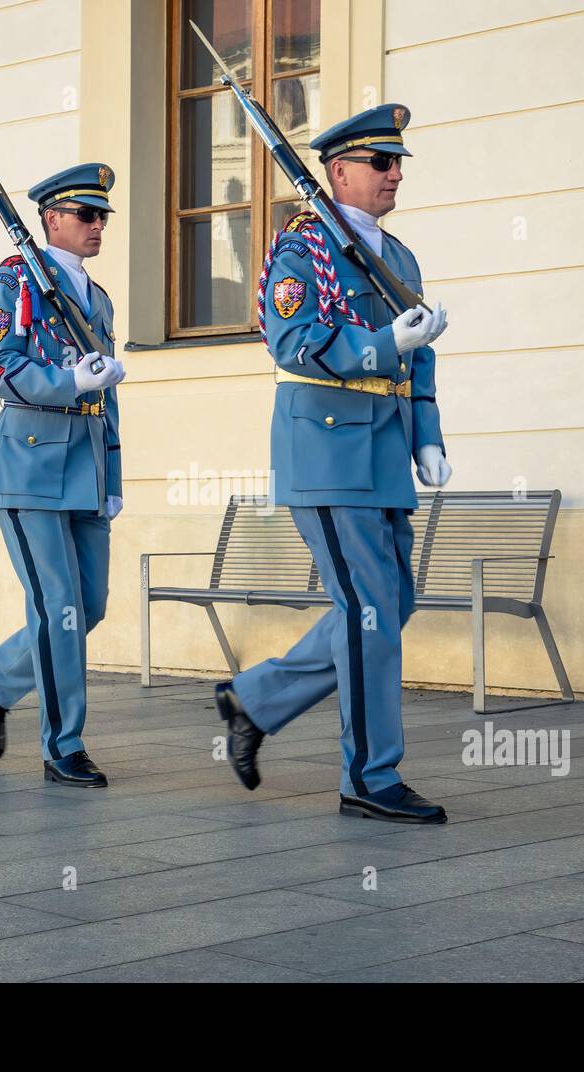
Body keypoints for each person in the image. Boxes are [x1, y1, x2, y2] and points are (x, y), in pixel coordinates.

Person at [215, 104, 453, 823]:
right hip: (325, 447)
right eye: (382, 164)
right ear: (340, 170)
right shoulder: (302, 250)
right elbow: (293, 340)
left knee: (387, 607)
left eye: (399, 162)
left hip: (383, 452)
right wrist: (383, 342)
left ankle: (254, 700)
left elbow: (421, 355)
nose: (395, 174)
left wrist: (428, 435)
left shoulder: (399, 255)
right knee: (371, 611)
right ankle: (370, 778)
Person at [0, 163, 127, 787]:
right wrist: (66, 382)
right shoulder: (15, 280)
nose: (97, 226)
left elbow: (106, 394)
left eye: (102, 215)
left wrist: (112, 473)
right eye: (86, 215)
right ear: (51, 219)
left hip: (85, 467)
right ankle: (64, 744)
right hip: (31, 464)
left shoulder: (99, 297)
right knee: (57, 604)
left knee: (89, 605)